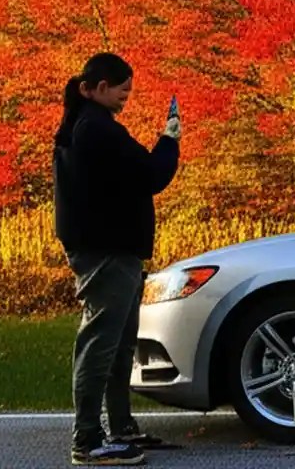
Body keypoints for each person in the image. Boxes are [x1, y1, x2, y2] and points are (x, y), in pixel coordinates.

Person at [53, 53, 182, 466]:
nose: (127, 96)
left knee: (119, 343)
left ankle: (121, 427)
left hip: (109, 249)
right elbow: (151, 174)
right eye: (123, 89)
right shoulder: (96, 129)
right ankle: (88, 440)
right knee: (101, 342)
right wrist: (170, 138)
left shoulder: (83, 125)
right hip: (107, 252)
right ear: (100, 87)